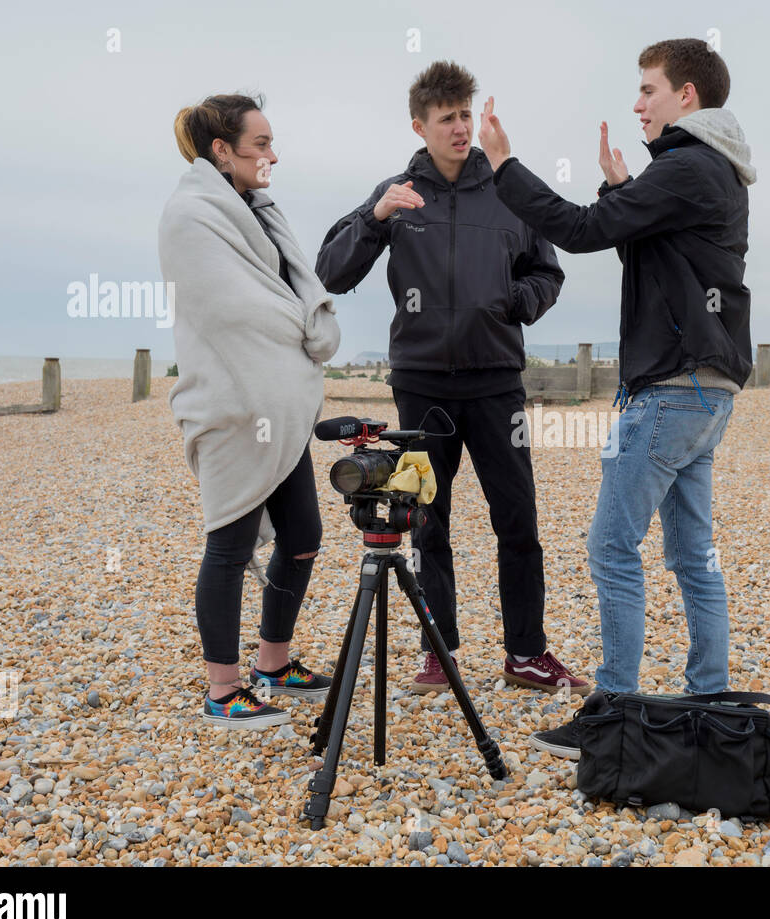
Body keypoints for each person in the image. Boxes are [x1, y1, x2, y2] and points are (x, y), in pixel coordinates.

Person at [477, 38, 755, 757]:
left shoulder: (689, 166)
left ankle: (614, 711)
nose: (637, 103)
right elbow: (640, 241)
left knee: (611, 546)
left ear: (686, 96)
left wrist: (505, 167)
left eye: (648, 89)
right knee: (693, 554)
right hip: (706, 389)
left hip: (670, 388)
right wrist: (619, 187)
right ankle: (710, 696)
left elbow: (581, 232)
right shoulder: (709, 172)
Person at [315, 61, 589, 696]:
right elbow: (331, 270)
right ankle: (439, 652)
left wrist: (514, 302)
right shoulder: (397, 191)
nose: (462, 127)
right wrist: (376, 218)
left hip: (496, 379)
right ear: (420, 125)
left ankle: (526, 654)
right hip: (423, 382)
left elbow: (548, 272)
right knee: (424, 519)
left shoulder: (508, 189)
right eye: (448, 118)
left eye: (466, 114)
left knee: (517, 517)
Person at [160, 93, 341, 729]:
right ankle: (222, 689)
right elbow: (231, 310)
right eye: (259, 144)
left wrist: (305, 320)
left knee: (303, 537)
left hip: (278, 406)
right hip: (232, 402)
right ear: (221, 151)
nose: (271, 154)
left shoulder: (260, 209)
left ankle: (273, 662)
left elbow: (292, 285)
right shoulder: (190, 216)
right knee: (230, 542)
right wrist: (301, 323)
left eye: (270, 142)